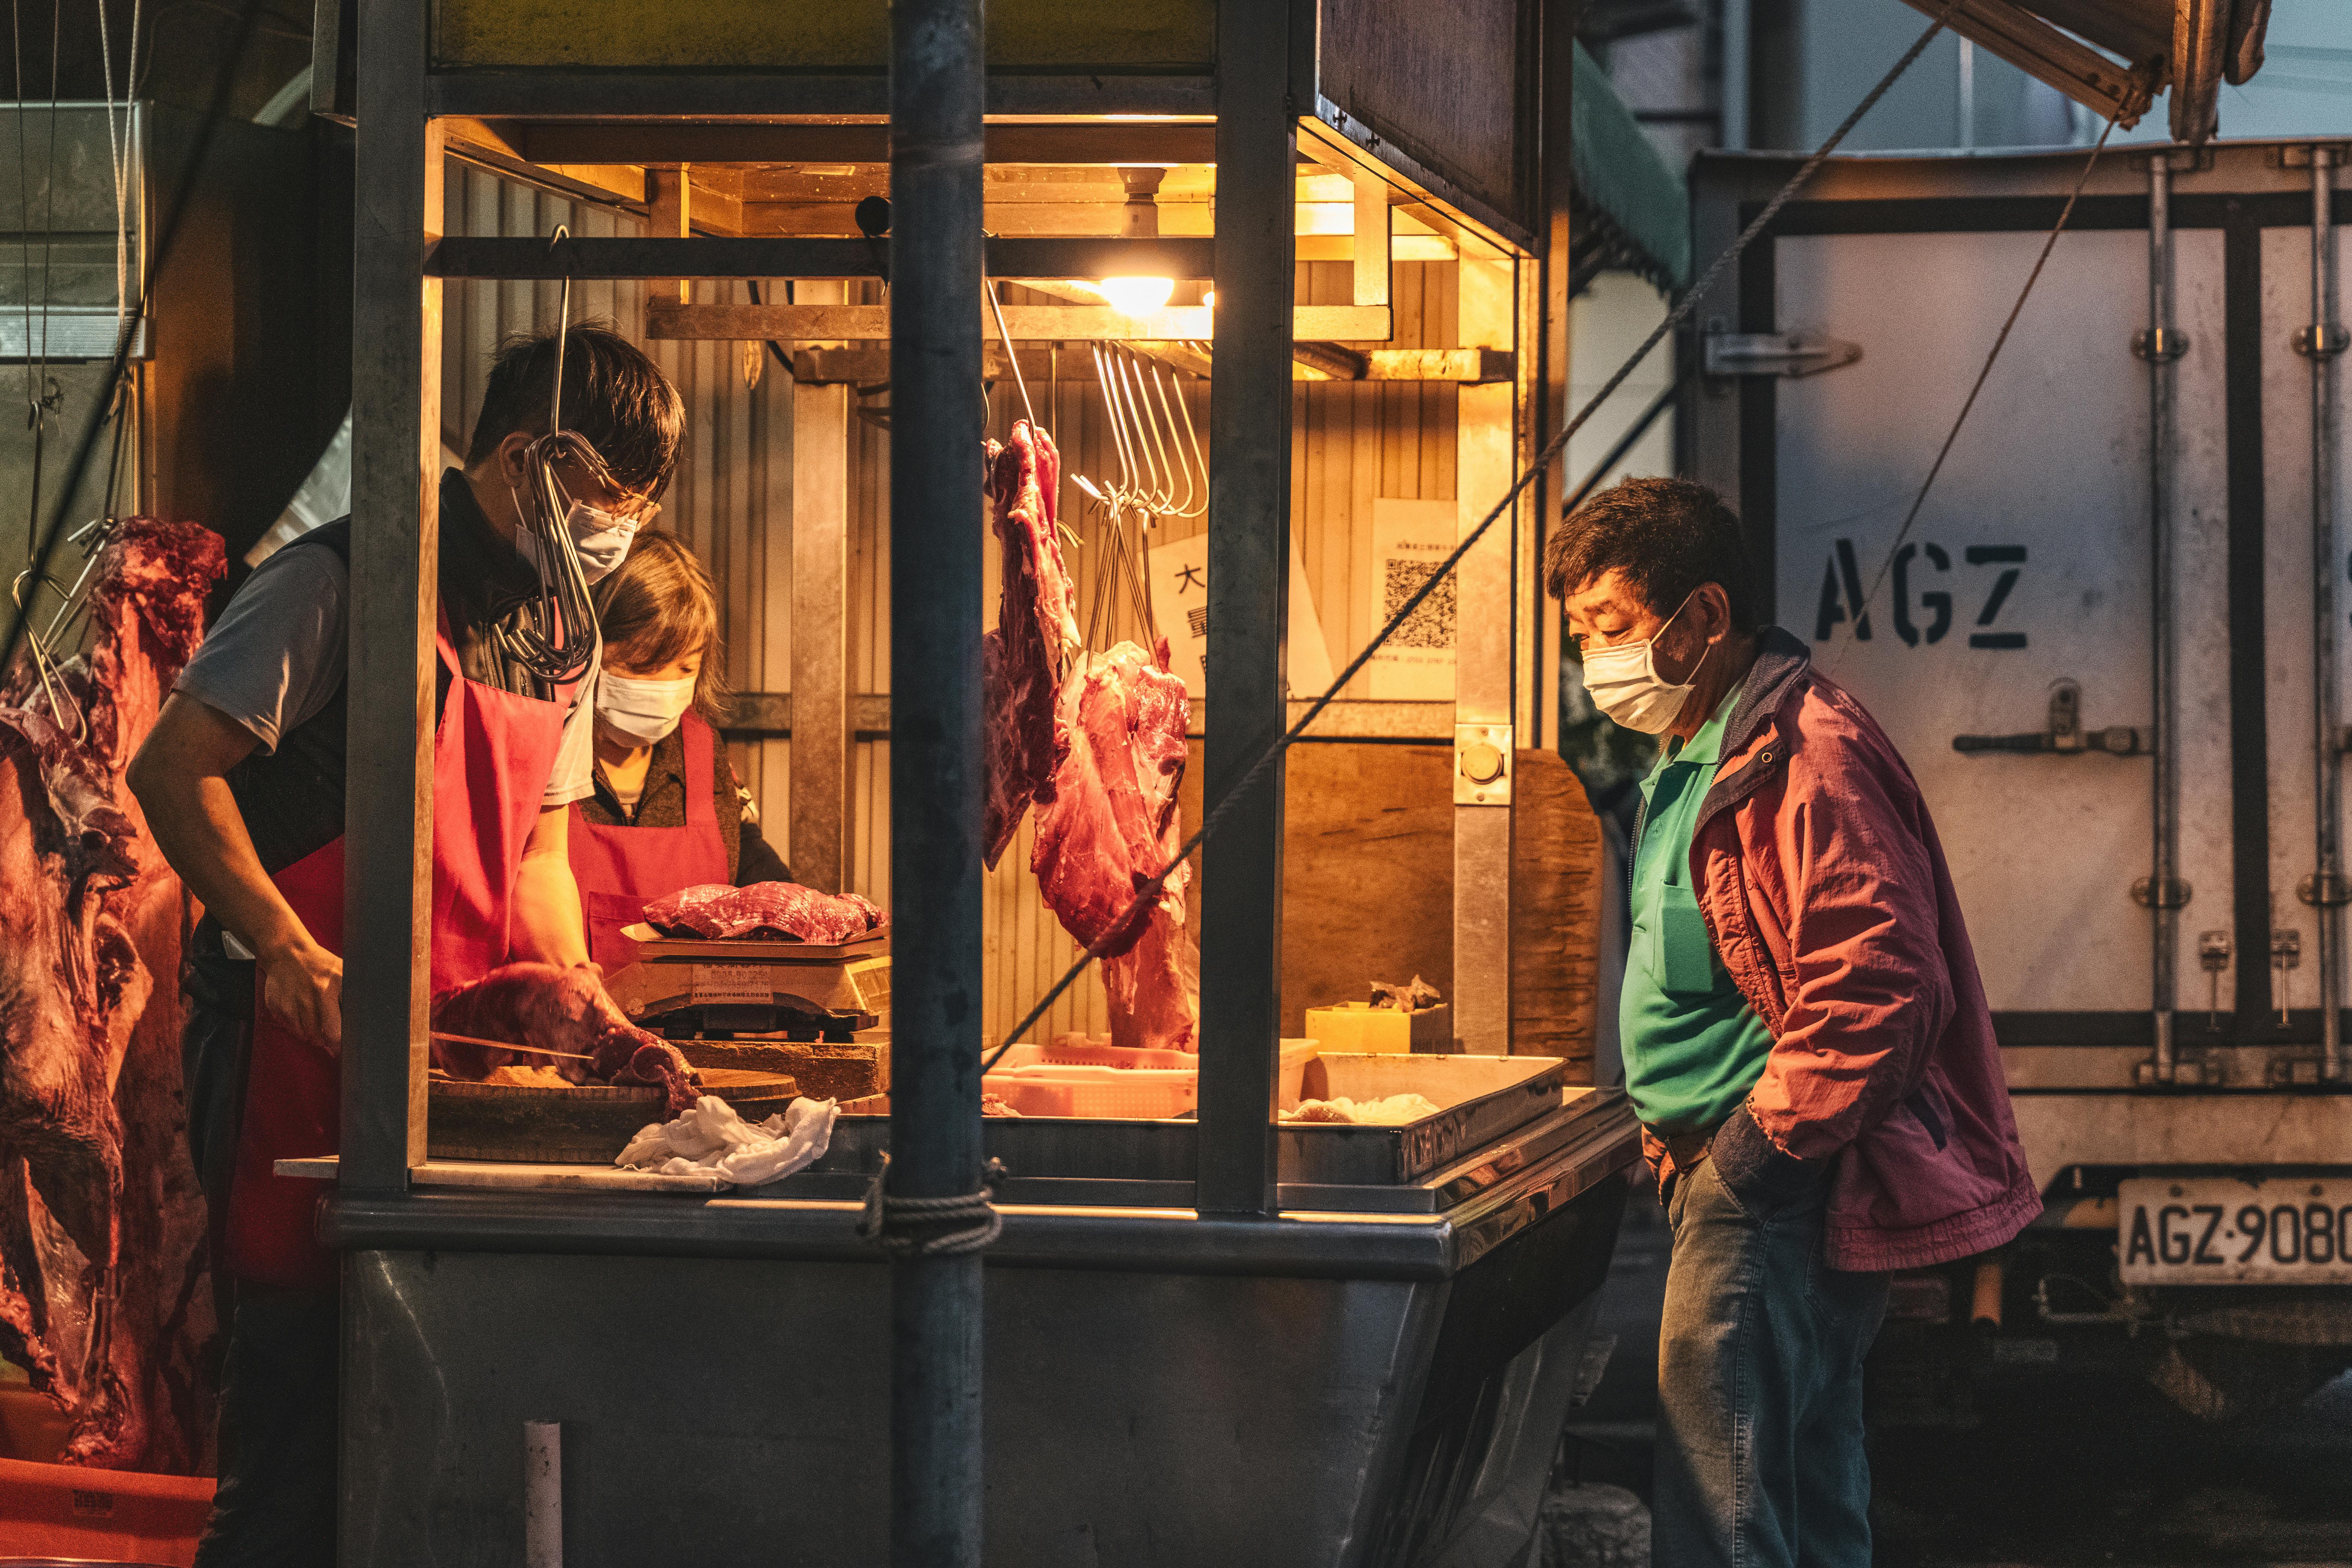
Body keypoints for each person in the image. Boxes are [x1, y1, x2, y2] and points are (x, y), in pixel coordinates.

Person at [127, 324, 684, 1566]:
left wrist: (579, 1008)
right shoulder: (339, 583)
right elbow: (173, 771)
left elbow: (541, 856)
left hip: (454, 1072)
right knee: (293, 1442)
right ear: (533, 458)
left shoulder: (561, 633)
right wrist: (276, 941)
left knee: (436, 1422)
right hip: (297, 1054)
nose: (614, 536)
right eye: (607, 503)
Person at [1546, 477, 2037, 1568]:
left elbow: (1882, 983)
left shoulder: (1808, 754)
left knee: (1725, 1517)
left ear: (1706, 618)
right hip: (1735, 1182)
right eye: (1582, 634)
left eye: (1614, 628)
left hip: (1774, 1197)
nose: (1596, 662)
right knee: (1805, 1501)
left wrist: (1748, 1159)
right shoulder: (1697, 747)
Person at [571, 530, 790, 970]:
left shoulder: (704, 752)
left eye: (685, 666)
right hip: (565, 1029)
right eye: (640, 665)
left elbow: (750, 861)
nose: (665, 686)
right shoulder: (549, 752)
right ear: (588, 646)